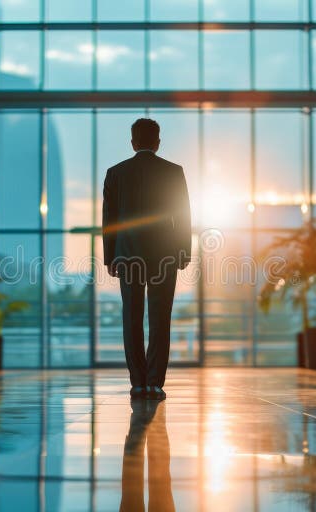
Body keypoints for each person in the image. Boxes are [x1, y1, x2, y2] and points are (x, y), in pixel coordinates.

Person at [102, 118, 191, 401]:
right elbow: (184, 216)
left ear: (132, 142)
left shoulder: (115, 173)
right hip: (164, 256)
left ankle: (137, 383)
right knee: (160, 319)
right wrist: (184, 252)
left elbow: (110, 220)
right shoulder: (173, 172)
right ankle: (155, 383)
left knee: (132, 318)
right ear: (158, 142)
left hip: (127, 256)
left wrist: (110, 257)